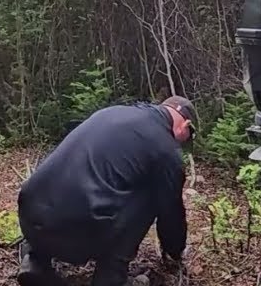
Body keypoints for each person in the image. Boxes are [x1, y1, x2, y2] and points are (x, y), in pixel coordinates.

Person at [15, 95, 195, 286]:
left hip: (29, 219)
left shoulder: (113, 112)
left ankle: (34, 261)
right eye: (189, 136)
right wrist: (175, 250)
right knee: (153, 196)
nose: (184, 143)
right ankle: (110, 279)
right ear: (185, 125)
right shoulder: (166, 150)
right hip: (74, 237)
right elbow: (171, 212)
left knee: (60, 182)